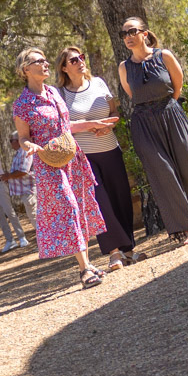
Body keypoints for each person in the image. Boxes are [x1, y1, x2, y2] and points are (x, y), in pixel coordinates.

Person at [12, 47, 110, 287]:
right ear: (26, 70)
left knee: (79, 204)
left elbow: (66, 126)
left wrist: (91, 124)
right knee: (68, 207)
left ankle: (86, 263)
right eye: (39, 61)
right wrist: (31, 146)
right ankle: (84, 269)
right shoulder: (22, 104)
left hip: (71, 158)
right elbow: (23, 138)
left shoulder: (54, 92)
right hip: (48, 164)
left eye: (46, 60)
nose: (46, 64)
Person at [117, 17, 188, 242]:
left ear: (144, 33)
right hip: (144, 124)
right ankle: (185, 229)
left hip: (172, 115)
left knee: (187, 170)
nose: (128, 37)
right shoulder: (124, 68)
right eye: (124, 34)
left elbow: (177, 84)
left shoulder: (164, 56)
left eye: (132, 31)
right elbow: (134, 95)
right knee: (163, 174)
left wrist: (167, 107)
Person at [57, 45, 141, 269]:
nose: (80, 61)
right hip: (84, 159)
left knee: (121, 199)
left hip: (111, 151)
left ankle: (129, 250)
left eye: (81, 57)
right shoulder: (61, 94)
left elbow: (114, 113)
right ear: (64, 68)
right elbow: (62, 126)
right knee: (100, 204)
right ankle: (114, 253)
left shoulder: (99, 83)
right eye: (73, 60)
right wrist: (90, 125)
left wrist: (109, 125)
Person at [5, 133, 34, 221]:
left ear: (18, 141)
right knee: (33, 218)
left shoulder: (25, 151)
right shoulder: (19, 152)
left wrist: (9, 176)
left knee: (35, 218)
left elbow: (23, 171)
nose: (10, 143)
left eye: (11, 141)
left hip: (30, 191)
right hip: (25, 192)